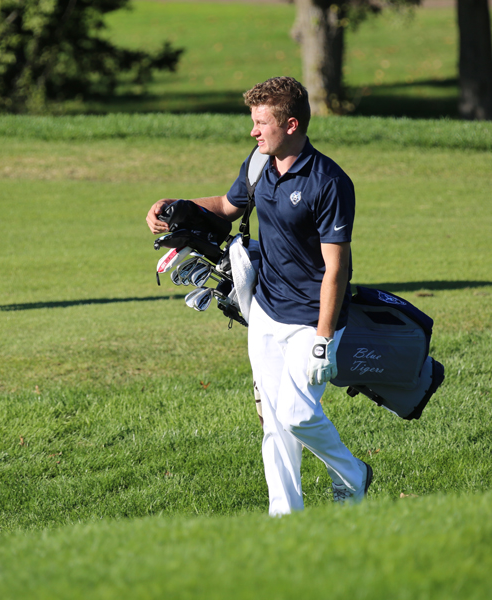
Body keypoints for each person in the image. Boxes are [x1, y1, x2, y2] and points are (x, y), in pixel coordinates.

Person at [146, 76, 371, 516]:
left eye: (261, 122)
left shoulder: (329, 181)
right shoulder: (259, 165)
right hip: (266, 312)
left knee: (298, 416)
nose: (253, 131)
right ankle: (284, 516)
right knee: (274, 425)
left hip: (312, 320)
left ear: (290, 124)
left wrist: (323, 339)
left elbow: (336, 268)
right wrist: (174, 205)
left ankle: (352, 474)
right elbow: (227, 206)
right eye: (252, 121)